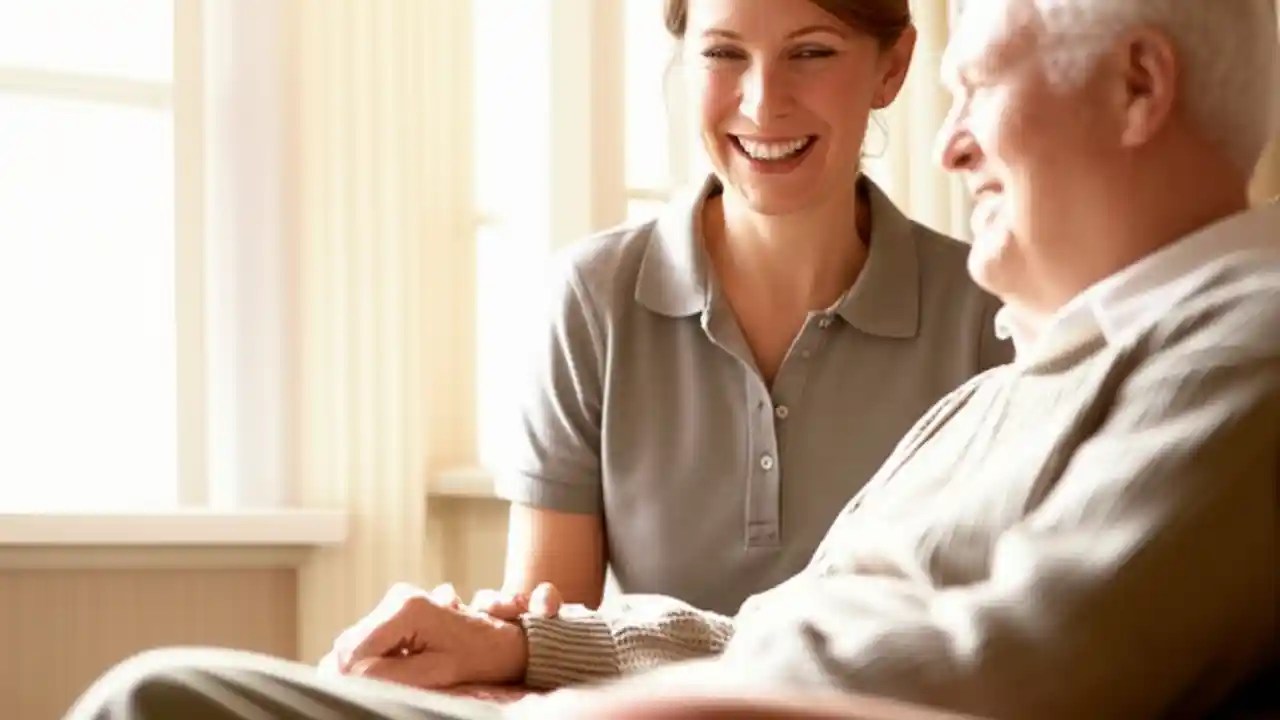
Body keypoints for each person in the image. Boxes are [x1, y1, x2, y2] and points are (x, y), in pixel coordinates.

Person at [65, 0, 1280, 718]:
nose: (951, 148)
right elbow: (780, 627)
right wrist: (536, 649)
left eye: (973, 91)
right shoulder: (1029, 374)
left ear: (1136, 87)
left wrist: (607, 709)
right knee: (166, 691)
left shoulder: (1238, 350)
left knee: (158, 702)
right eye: (720, 50)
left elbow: (1027, 668)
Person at [497, 0, 1010, 617]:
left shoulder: (993, 315)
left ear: (892, 68)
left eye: (811, 52)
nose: (764, 103)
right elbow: (538, 641)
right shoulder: (590, 301)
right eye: (722, 54)